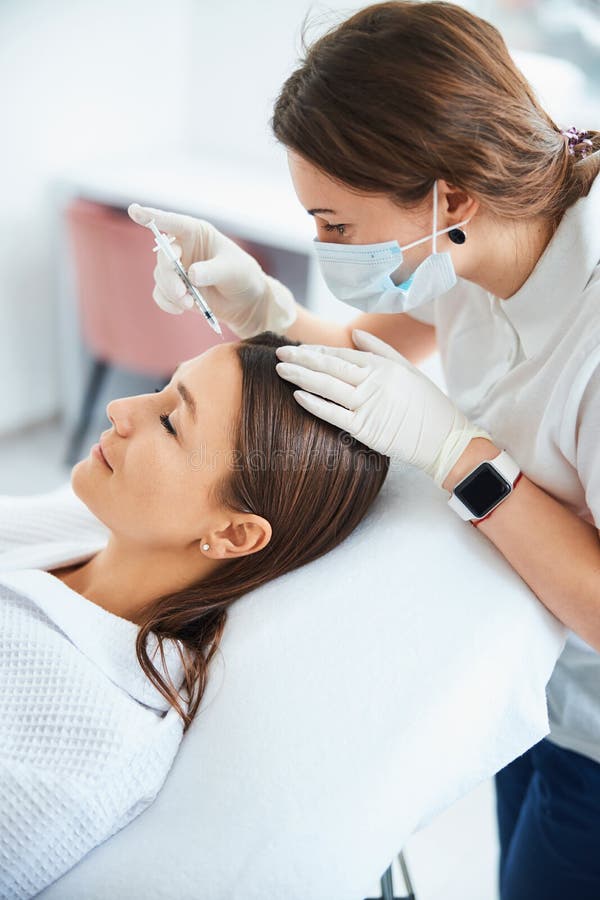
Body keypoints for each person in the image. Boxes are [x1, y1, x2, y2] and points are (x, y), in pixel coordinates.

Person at [128, 3, 600, 896]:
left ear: (450, 198)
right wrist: (261, 306)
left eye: (336, 226)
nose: (324, 247)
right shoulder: (478, 238)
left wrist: (458, 454)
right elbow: (365, 361)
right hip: (533, 671)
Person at [0, 331, 389, 898]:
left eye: (170, 423)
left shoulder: (89, 731)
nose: (120, 408)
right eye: (163, 389)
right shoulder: (80, 530)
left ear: (232, 534)